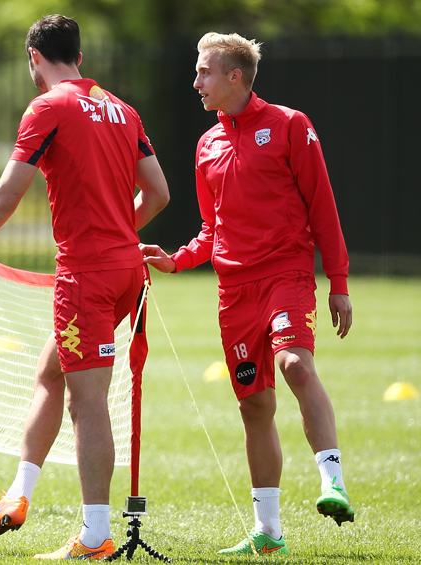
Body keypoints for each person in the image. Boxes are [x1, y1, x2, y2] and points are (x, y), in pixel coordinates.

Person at [0, 15, 169, 560]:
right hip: (122, 272)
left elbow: (5, 194)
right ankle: (17, 497)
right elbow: (158, 194)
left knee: (87, 403)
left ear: (33, 57)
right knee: (50, 372)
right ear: (80, 59)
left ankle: (96, 537)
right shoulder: (122, 108)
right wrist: (118, 236)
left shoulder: (48, 107)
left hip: (87, 275)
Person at [140, 32, 353, 556]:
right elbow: (212, 230)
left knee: (295, 366)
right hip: (233, 291)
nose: (196, 83)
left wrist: (339, 284)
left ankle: (333, 481)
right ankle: (268, 531)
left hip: (286, 275)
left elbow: (323, 208)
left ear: (234, 76)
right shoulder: (207, 144)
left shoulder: (289, 126)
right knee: (254, 408)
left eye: (204, 73)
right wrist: (178, 259)